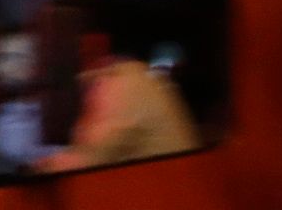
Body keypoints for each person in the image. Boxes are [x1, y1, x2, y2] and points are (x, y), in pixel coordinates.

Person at [41, 15, 198, 171]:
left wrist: (37, 169)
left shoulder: (123, 85)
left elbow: (88, 158)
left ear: (97, 41)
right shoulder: (135, 76)